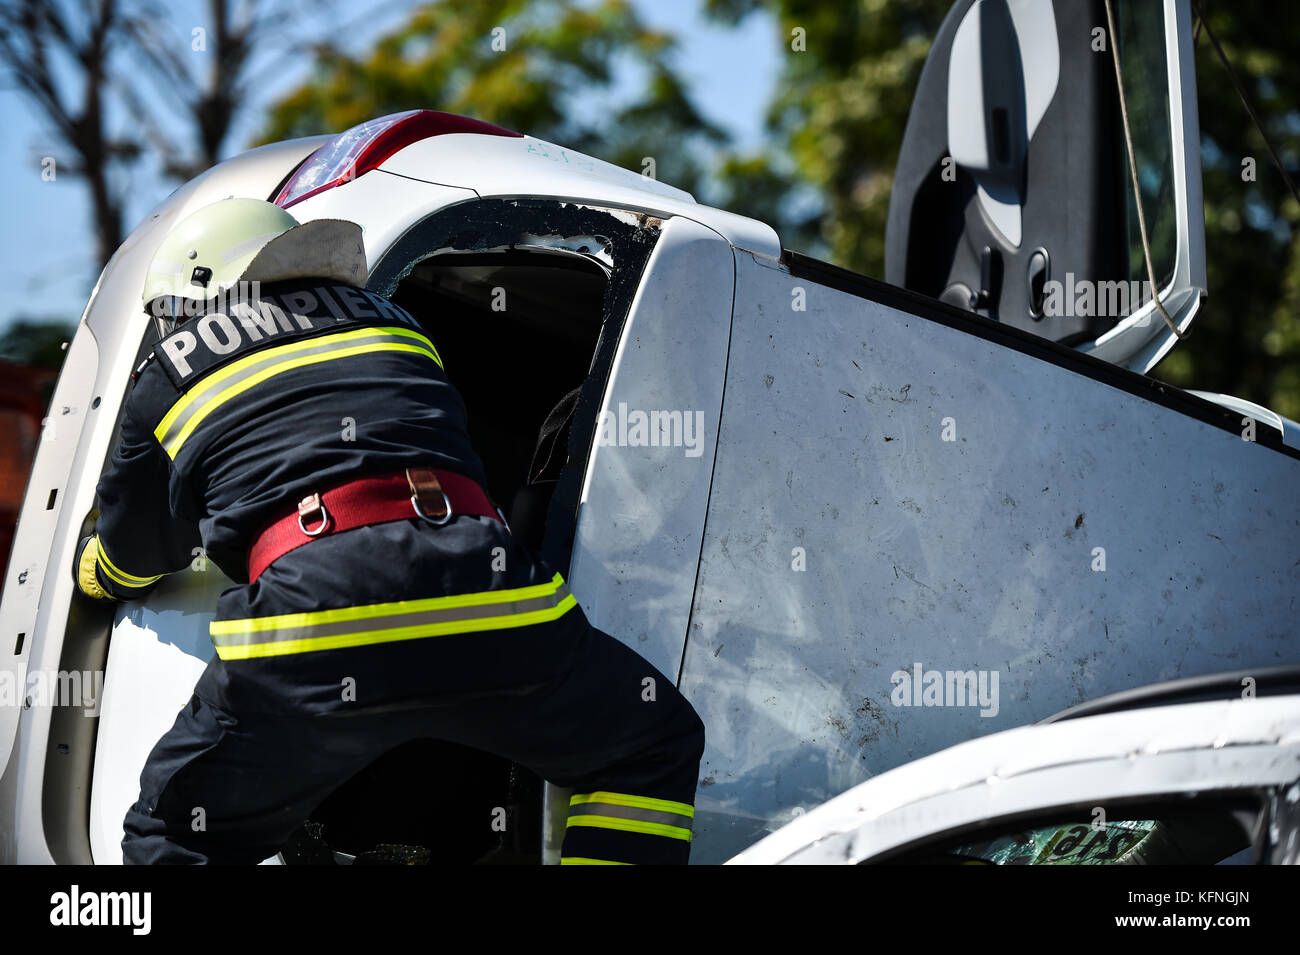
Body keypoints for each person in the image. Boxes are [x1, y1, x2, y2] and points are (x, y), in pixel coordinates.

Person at [74, 197, 705, 865]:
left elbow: (141, 546)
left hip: (318, 612)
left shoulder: (170, 368)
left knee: (173, 834)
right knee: (649, 747)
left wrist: (99, 572)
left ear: (202, 288)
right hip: (487, 591)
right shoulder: (400, 325)